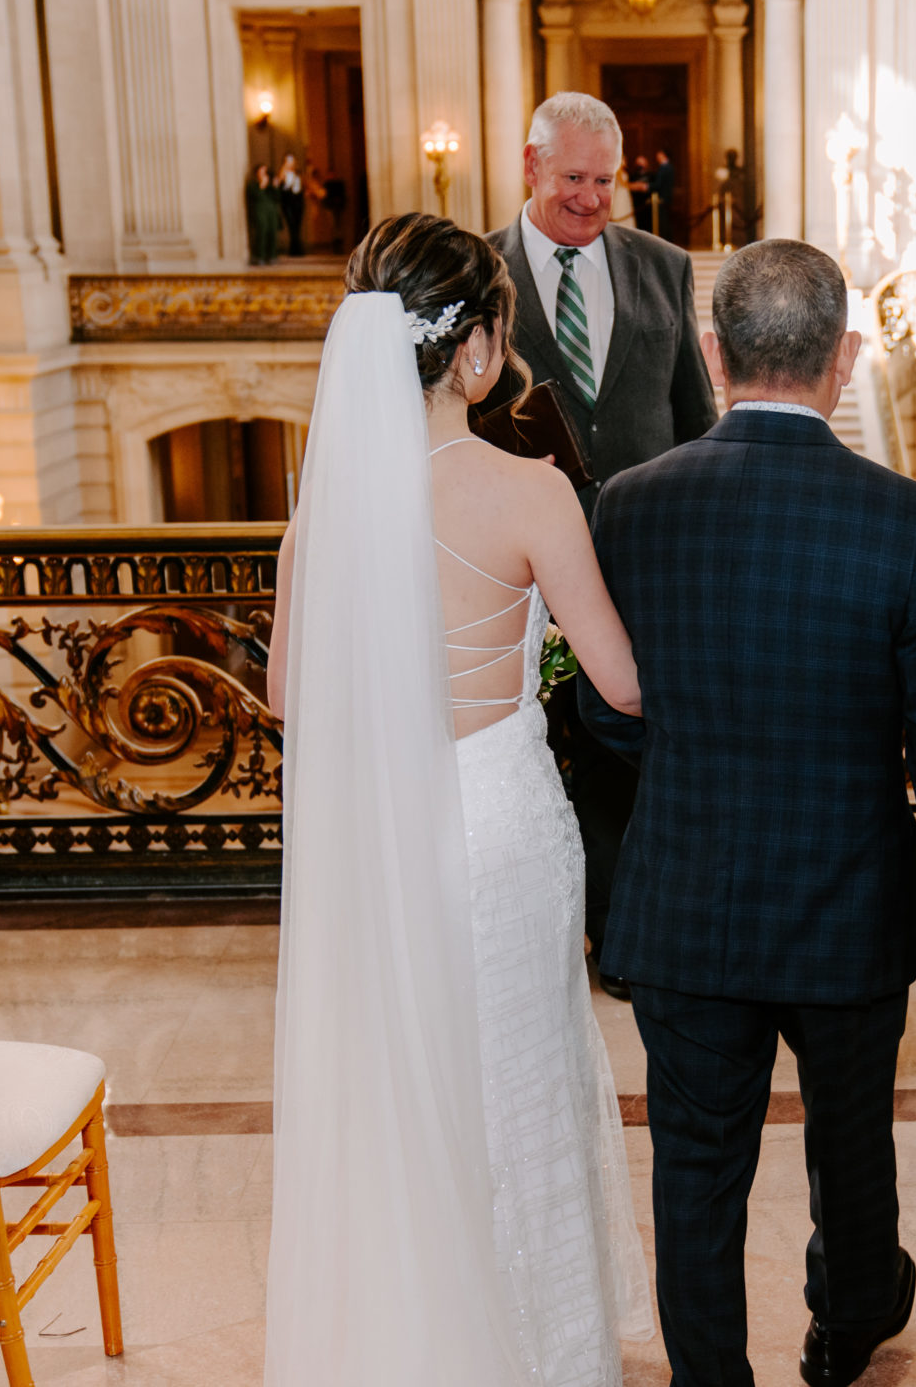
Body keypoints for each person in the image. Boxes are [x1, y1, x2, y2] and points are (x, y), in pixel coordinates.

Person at [578, 238, 916, 1387]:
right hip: (844, 900)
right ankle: (847, 1324)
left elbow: (606, 712)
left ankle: (711, 1375)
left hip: (681, 903)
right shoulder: (905, 514)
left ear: (711, 353)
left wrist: (687, 762)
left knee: (694, 1167)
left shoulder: (626, 504)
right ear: (844, 356)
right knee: (850, 1148)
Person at [264, 213, 654, 1386]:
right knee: (517, 1080)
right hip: (496, 823)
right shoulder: (527, 491)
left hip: (374, 835)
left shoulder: (319, 509)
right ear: (479, 348)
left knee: (400, 1082)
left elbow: (288, 692)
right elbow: (622, 683)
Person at [486, 92, 719, 999]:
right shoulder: (482, 269)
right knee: (535, 752)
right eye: (574, 178)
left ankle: (622, 935)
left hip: (639, 562)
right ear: (532, 166)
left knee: (627, 751)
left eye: (605, 181)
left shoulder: (664, 265)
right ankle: (544, 939)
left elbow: (695, 417)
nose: (591, 198)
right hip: (516, 566)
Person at [245, 162, 283, 266]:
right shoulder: (252, 185)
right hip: (260, 211)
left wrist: (275, 187)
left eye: (265, 172)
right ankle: (260, 256)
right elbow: (256, 196)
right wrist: (262, 185)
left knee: (272, 233)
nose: (263, 174)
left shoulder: (270, 186)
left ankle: (272, 256)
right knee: (262, 233)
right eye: (261, 172)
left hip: (271, 211)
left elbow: (277, 198)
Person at [278, 153, 305, 258]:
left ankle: (296, 249)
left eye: (291, 160)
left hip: (298, 202)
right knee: (291, 226)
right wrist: (284, 171)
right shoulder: (283, 173)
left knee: (297, 226)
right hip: (288, 203)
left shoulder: (298, 173)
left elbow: (302, 185)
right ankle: (294, 250)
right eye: (287, 160)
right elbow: (280, 185)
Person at [648, 148, 676, 240]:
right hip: (665, 197)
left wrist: (647, 186)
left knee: (664, 222)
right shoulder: (665, 167)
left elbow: (659, 184)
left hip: (663, 198)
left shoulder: (665, 168)